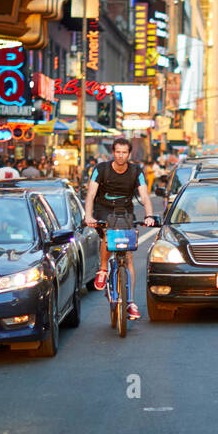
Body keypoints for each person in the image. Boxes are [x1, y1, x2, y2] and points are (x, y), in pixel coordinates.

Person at [84, 137, 158, 321]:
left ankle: (130, 302)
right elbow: (91, 194)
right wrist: (88, 216)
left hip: (125, 211)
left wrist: (149, 216)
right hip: (103, 209)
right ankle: (103, 269)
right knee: (108, 234)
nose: (121, 155)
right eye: (118, 152)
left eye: (124, 152)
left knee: (129, 257)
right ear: (113, 153)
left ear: (129, 154)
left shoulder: (136, 171)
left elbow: (145, 196)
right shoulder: (100, 169)